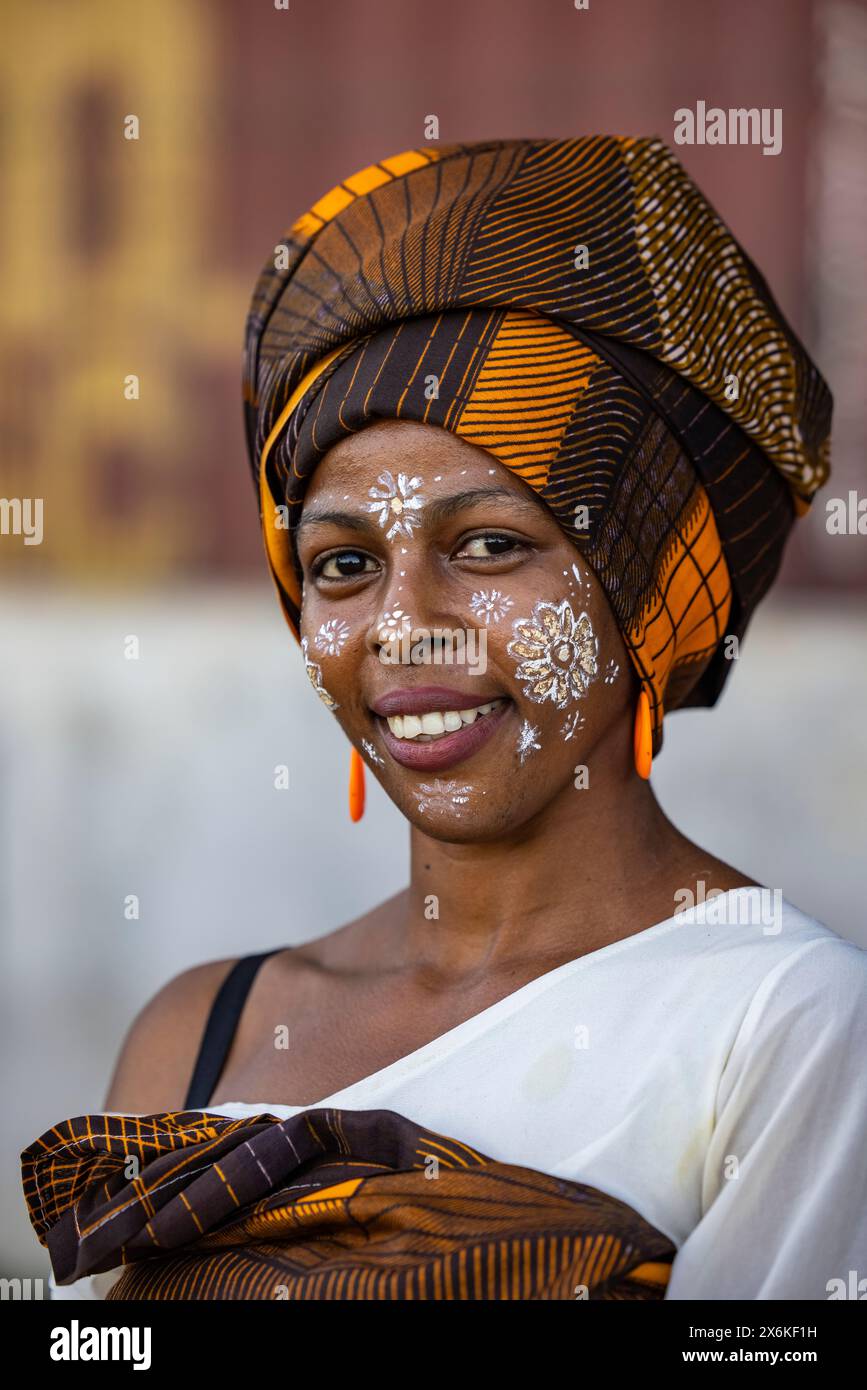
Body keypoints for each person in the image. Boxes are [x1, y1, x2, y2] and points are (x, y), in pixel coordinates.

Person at [24, 137, 867, 1301]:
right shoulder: (199, 1032)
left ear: (644, 593)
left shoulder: (784, 1020)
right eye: (344, 563)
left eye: (489, 545)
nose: (404, 627)